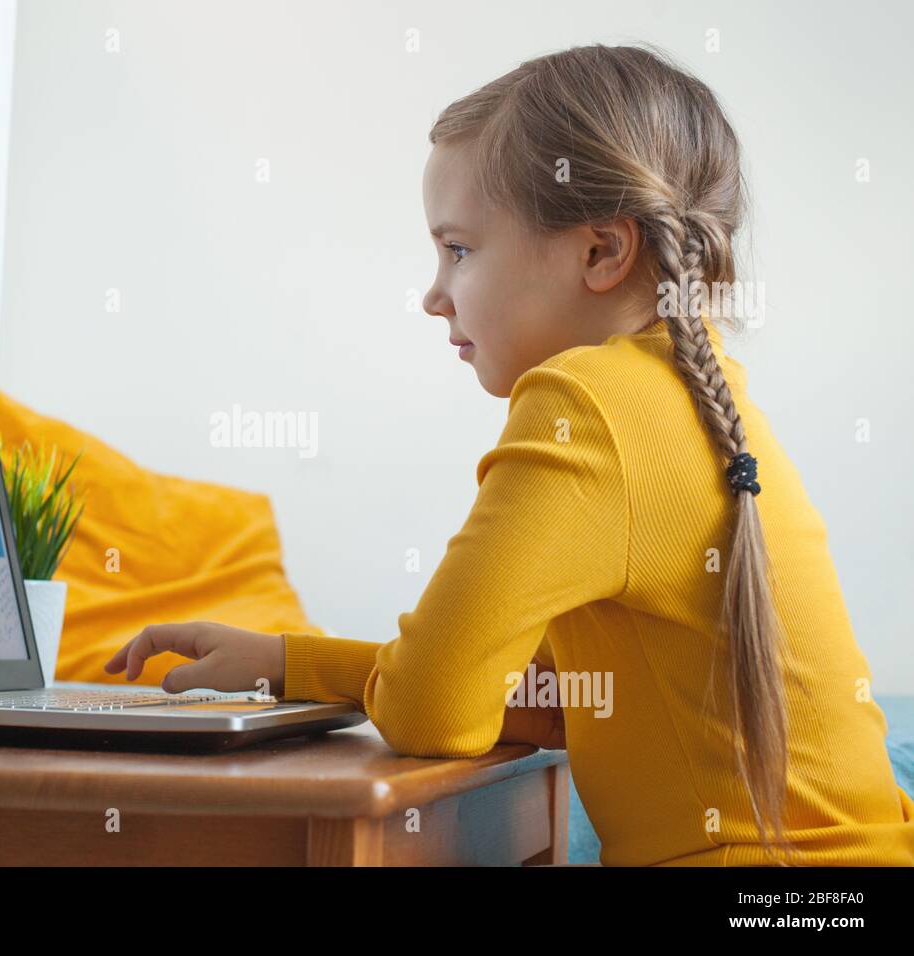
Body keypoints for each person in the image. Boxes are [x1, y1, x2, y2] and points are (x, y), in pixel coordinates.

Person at [103, 44, 914, 867]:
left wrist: (321, 674)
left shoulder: (586, 403)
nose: (433, 294)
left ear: (602, 252)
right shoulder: (696, 399)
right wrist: (288, 663)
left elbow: (431, 708)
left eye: (458, 250)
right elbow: (561, 704)